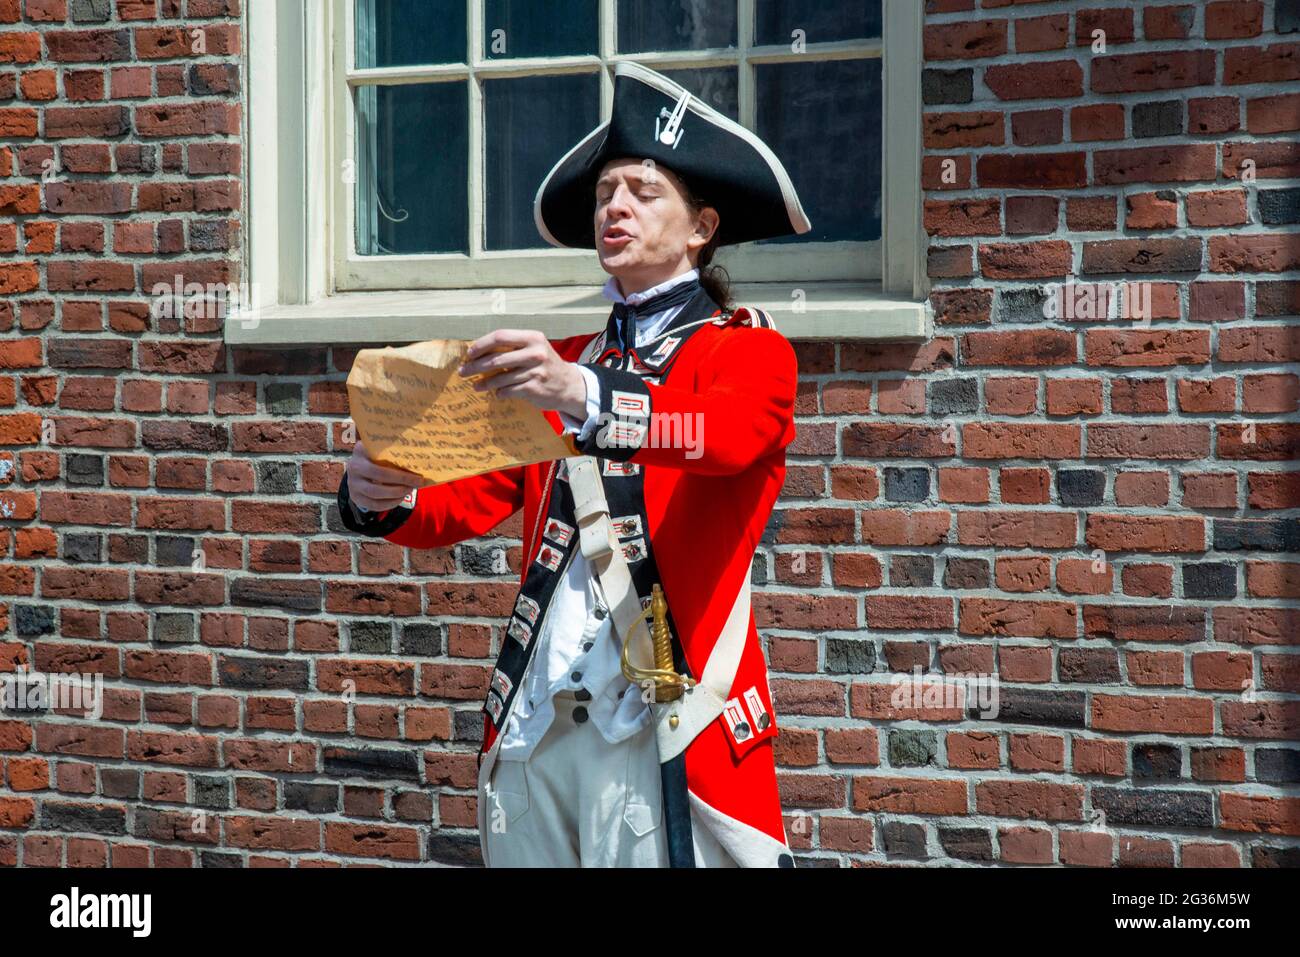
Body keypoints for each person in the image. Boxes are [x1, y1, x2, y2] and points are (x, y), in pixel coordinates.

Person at [338, 61, 811, 867]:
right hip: (536, 727)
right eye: (605, 193)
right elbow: (471, 496)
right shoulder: (560, 362)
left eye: (642, 190)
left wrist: (584, 392)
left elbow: (723, 434)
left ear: (701, 228)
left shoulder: (750, 352)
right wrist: (380, 494)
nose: (614, 206)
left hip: (666, 725)